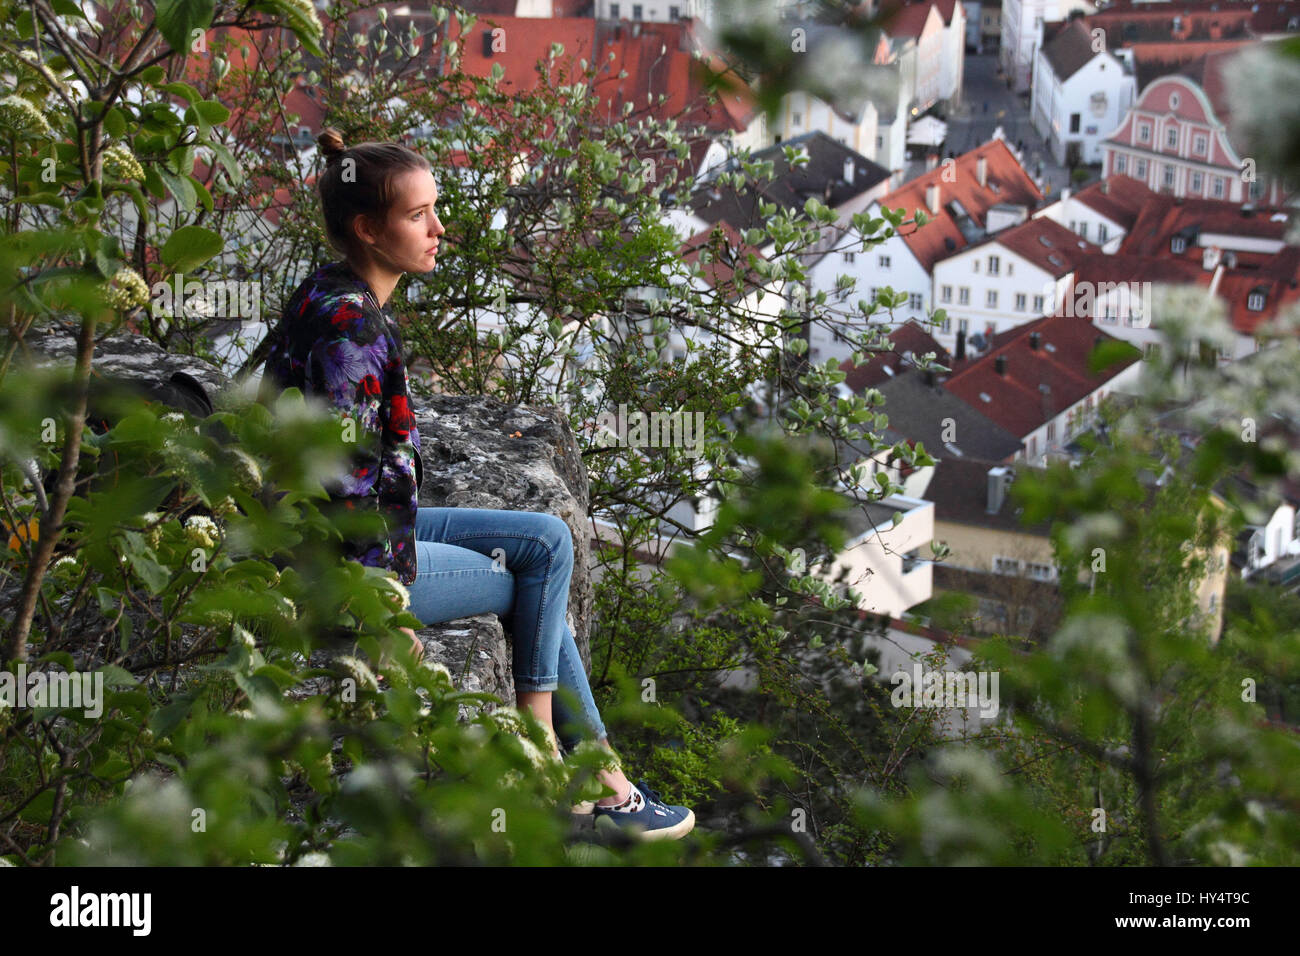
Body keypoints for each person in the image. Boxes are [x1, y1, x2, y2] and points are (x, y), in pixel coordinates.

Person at [257, 128, 694, 841]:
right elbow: (342, 474)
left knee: (549, 542)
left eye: (435, 208)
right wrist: (385, 613)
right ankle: (566, 771)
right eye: (417, 214)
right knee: (534, 580)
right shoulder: (350, 328)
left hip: (345, 535)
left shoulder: (330, 291)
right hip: (335, 569)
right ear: (368, 228)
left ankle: (587, 771)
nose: (439, 228)